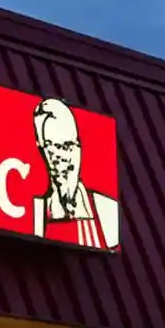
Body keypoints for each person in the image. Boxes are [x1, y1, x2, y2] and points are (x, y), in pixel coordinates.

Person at [32, 98, 119, 250]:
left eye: (65, 146)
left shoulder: (106, 209)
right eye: (50, 148)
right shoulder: (37, 212)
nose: (59, 157)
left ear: (78, 149)